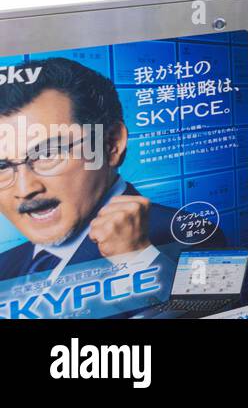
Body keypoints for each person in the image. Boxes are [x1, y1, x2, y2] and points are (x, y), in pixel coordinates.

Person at [0, 57, 228, 316]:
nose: (25, 188)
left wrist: (138, 259)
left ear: (111, 144)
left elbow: (224, 309)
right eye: (1, 167)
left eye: (48, 153)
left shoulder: (197, 236)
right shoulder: (5, 266)